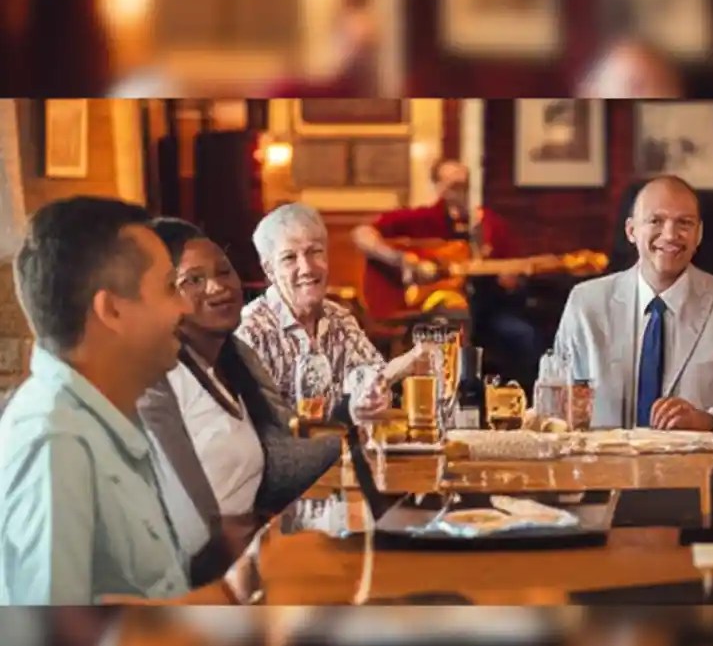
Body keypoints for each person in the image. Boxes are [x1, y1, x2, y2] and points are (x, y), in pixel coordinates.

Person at [0, 197, 193, 604]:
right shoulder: (55, 444)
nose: (185, 306)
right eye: (171, 288)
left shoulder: (110, 411)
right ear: (112, 311)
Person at [138, 219, 343, 586]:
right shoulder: (158, 379)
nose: (218, 288)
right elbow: (180, 527)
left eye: (224, 271)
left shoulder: (236, 357)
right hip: (204, 581)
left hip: (254, 555)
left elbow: (284, 460)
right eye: (193, 280)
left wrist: (365, 438)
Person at [547, 175, 713, 446]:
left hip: (700, 475)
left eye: (685, 223)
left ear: (699, 234)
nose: (670, 235)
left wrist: (707, 420)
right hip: (601, 471)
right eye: (655, 221)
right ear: (631, 231)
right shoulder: (586, 303)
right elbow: (555, 398)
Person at [352, 159, 542, 389]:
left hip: (486, 311)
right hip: (430, 311)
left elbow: (512, 274)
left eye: (465, 185)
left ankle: (515, 404)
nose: (459, 192)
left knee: (523, 335)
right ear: (437, 186)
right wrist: (401, 261)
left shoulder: (490, 225)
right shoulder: (422, 220)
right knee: (454, 316)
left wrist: (511, 282)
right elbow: (362, 234)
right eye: (453, 186)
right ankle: (455, 393)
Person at [237, 203, 421, 417]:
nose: (306, 268)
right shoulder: (251, 331)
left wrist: (380, 389)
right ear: (269, 270)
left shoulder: (339, 318)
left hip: (337, 447)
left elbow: (369, 378)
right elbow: (262, 424)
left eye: (314, 252)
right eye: (289, 258)